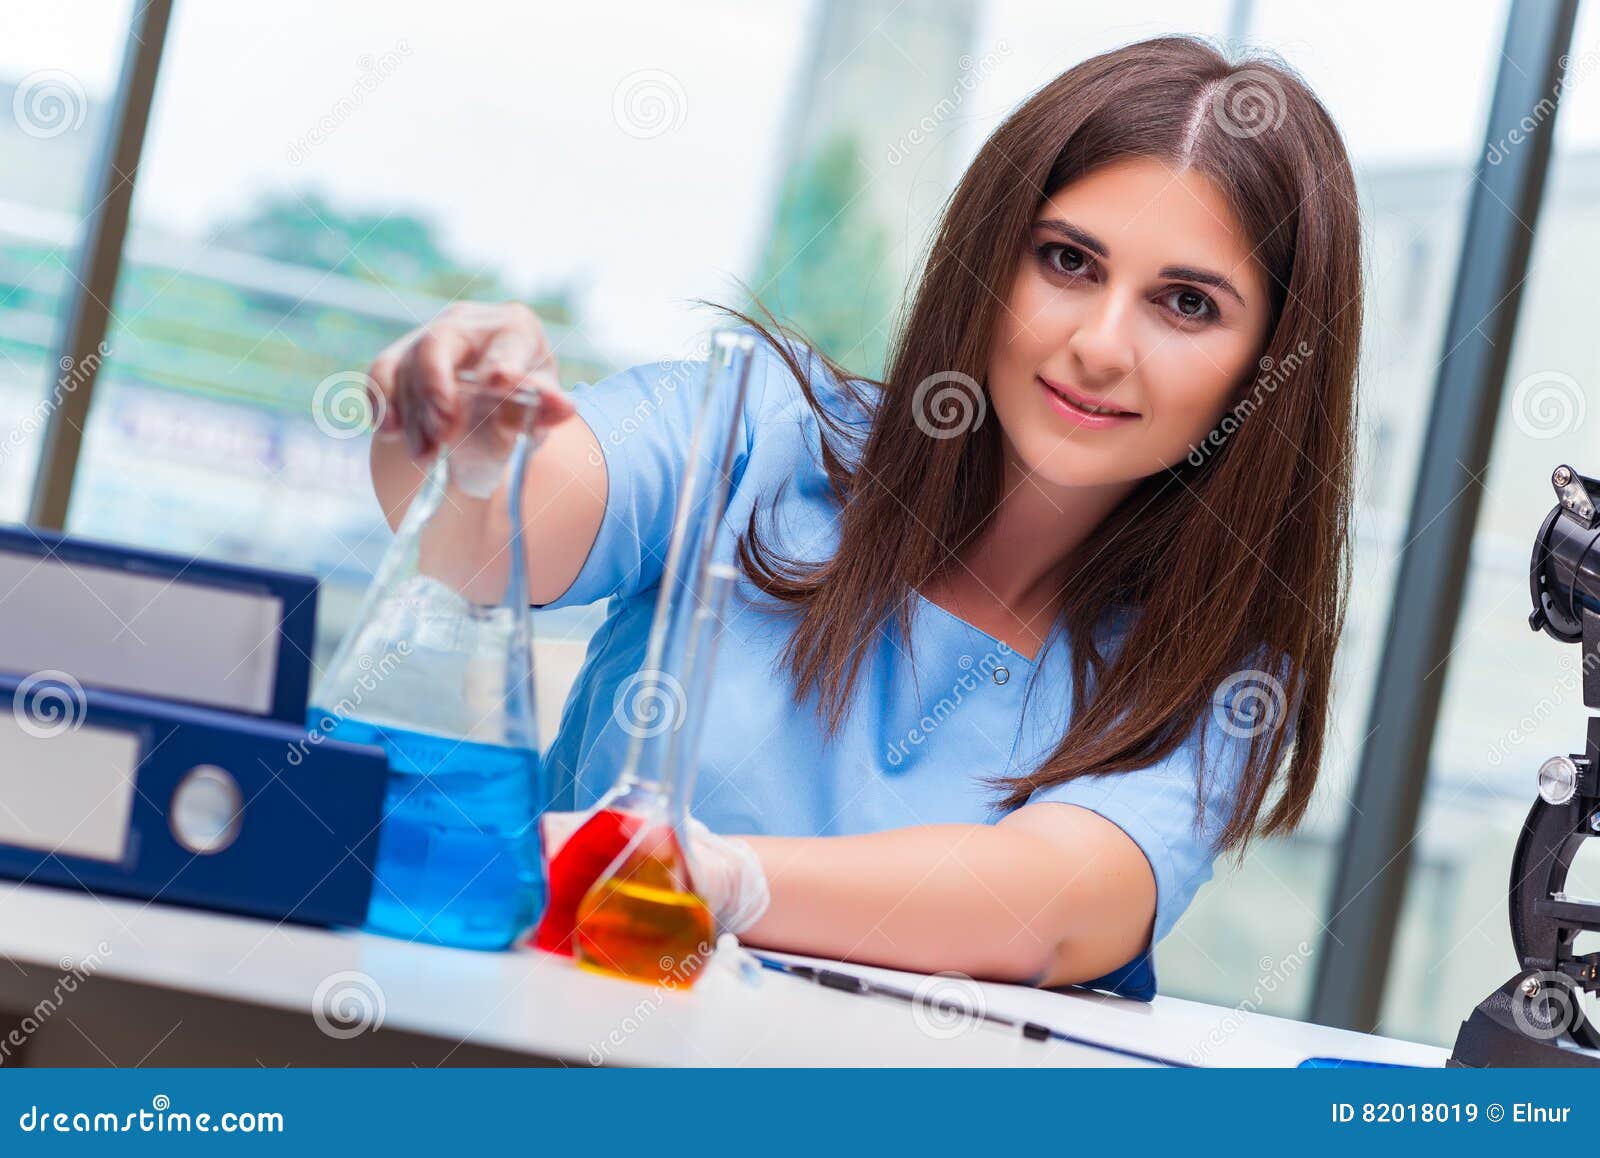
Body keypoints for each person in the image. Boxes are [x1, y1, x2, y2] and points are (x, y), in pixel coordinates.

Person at [364, 35, 1361, 999]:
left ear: (1268, 367)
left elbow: (1050, 906)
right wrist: (461, 426)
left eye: (1186, 304)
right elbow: (480, 546)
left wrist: (709, 878)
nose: (1101, 346)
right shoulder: (754, 430)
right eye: (1067, 261)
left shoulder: (1207, 673)